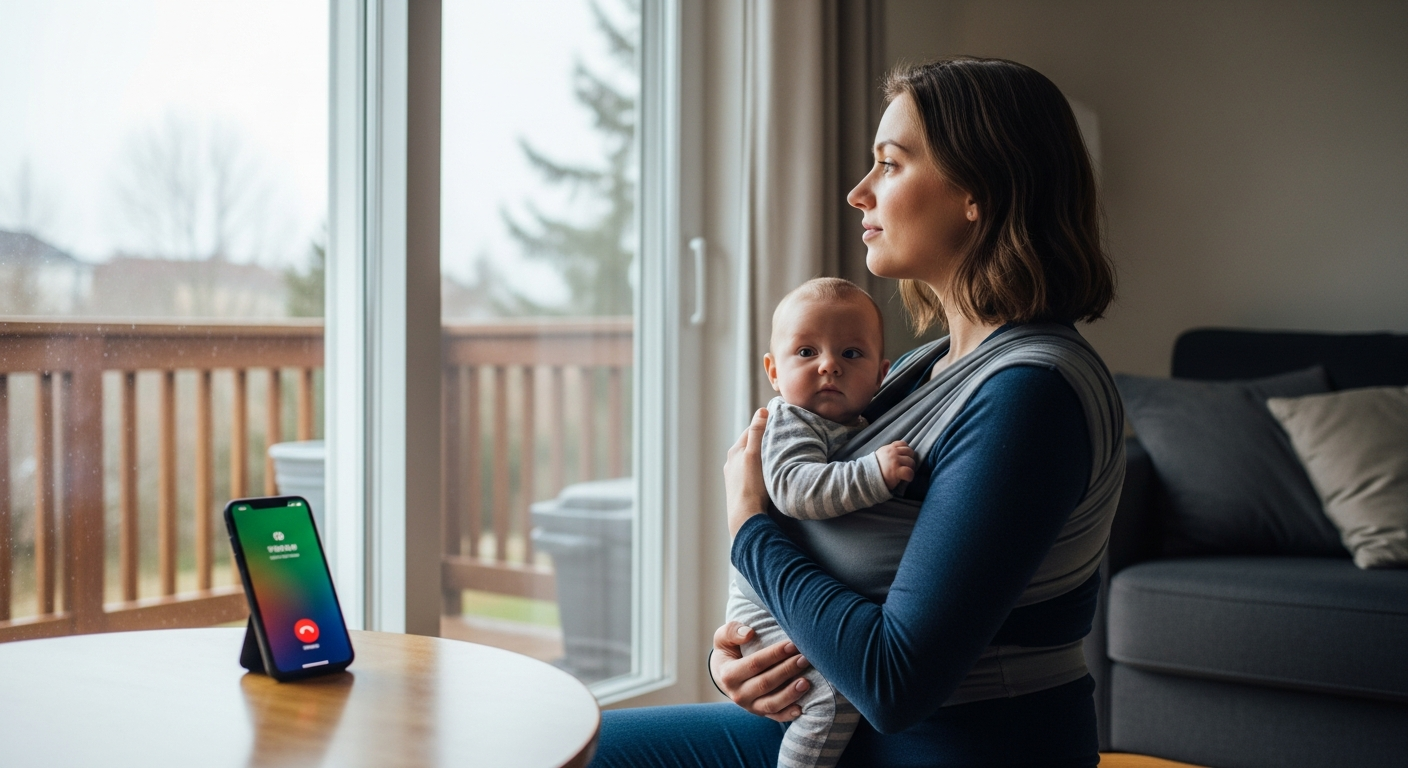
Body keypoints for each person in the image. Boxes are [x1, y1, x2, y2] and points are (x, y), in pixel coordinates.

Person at [591, 56, 1122, 767]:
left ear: (979, 192)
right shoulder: (919, 368)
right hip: (835, 729)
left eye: (890, 164)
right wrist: (750, 662)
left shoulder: (1030, 396)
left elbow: (894, 679)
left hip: (951, 748)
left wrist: (749, 525)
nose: (857, 193)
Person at [727, 277, 918, 768]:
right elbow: (794, 489)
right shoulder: (792, 419)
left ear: (881, 374)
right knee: (829, 701)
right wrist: (872, 473)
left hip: (795, 603)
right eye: (807, 351)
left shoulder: (851, 424)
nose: (829, 364)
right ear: (773, 370)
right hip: (768, 611)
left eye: (851, 354)